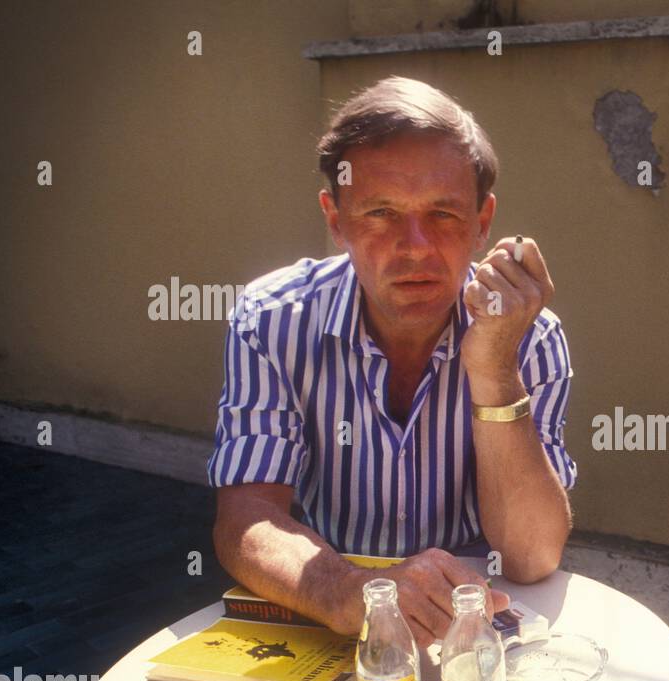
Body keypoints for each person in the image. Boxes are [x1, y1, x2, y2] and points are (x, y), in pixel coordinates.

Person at [207, 76, 576, 647]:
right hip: (330, 619)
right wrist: (351, 594)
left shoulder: (528, 336)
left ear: (482, 223)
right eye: (380, 213)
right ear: (336, 220)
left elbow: (529, 557)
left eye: (444, 215)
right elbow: (245, 519)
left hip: (477, 636)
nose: (416, 247)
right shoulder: (272, 319)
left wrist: (496, 370)